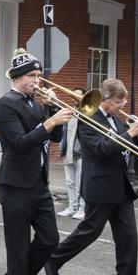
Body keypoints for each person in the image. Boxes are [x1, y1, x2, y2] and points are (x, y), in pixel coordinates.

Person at [44, 79, 138, 275]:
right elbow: (102, 149)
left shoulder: (115, 119)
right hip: (100, 185)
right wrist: (130, 133)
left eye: (124, 101)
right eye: (118, 101)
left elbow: (126, 147)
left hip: (120, 186)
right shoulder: (88, 120)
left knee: (128, 236)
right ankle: (53, 260)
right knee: (89, 232)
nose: (122, 105)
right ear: (105, 100)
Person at [0, 49, 71, 275]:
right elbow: (19, 143)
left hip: (38, 183)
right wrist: (49, 121)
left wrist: (52, 110)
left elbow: (54, 138)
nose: (37, 81)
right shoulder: (6, 104)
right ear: (16, 77)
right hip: (15, 185)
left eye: (39, 75)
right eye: (31, 76)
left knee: (50, 239)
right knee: (18, 248)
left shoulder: (37, 104)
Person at [58, 88, 86, 220]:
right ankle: (72, 206)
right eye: (73, 96)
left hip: (81, 153)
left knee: (81, 183)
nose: (75, 99)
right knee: (70, 182)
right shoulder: (68, 111)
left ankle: (82, 208)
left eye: (78, 96)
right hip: (68, 151)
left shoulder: (87, 114)